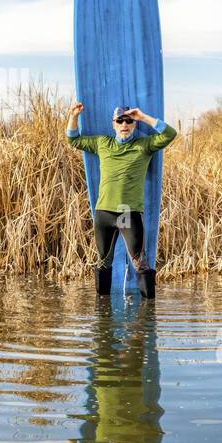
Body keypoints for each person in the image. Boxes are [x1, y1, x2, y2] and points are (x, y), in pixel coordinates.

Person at [66, 103, 177, 298]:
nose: (124, 124)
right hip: (104, 212)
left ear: (133, 124)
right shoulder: (102, 143)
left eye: (129, 121)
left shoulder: (144, 146)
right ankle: (103, 317)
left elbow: (170, 134)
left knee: (140, 262)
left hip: (127, 211)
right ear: (113, 124)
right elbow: (73, 139)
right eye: (120, 120)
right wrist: (74, 116)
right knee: (103, 262)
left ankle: (147, 319)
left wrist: (142, 117)